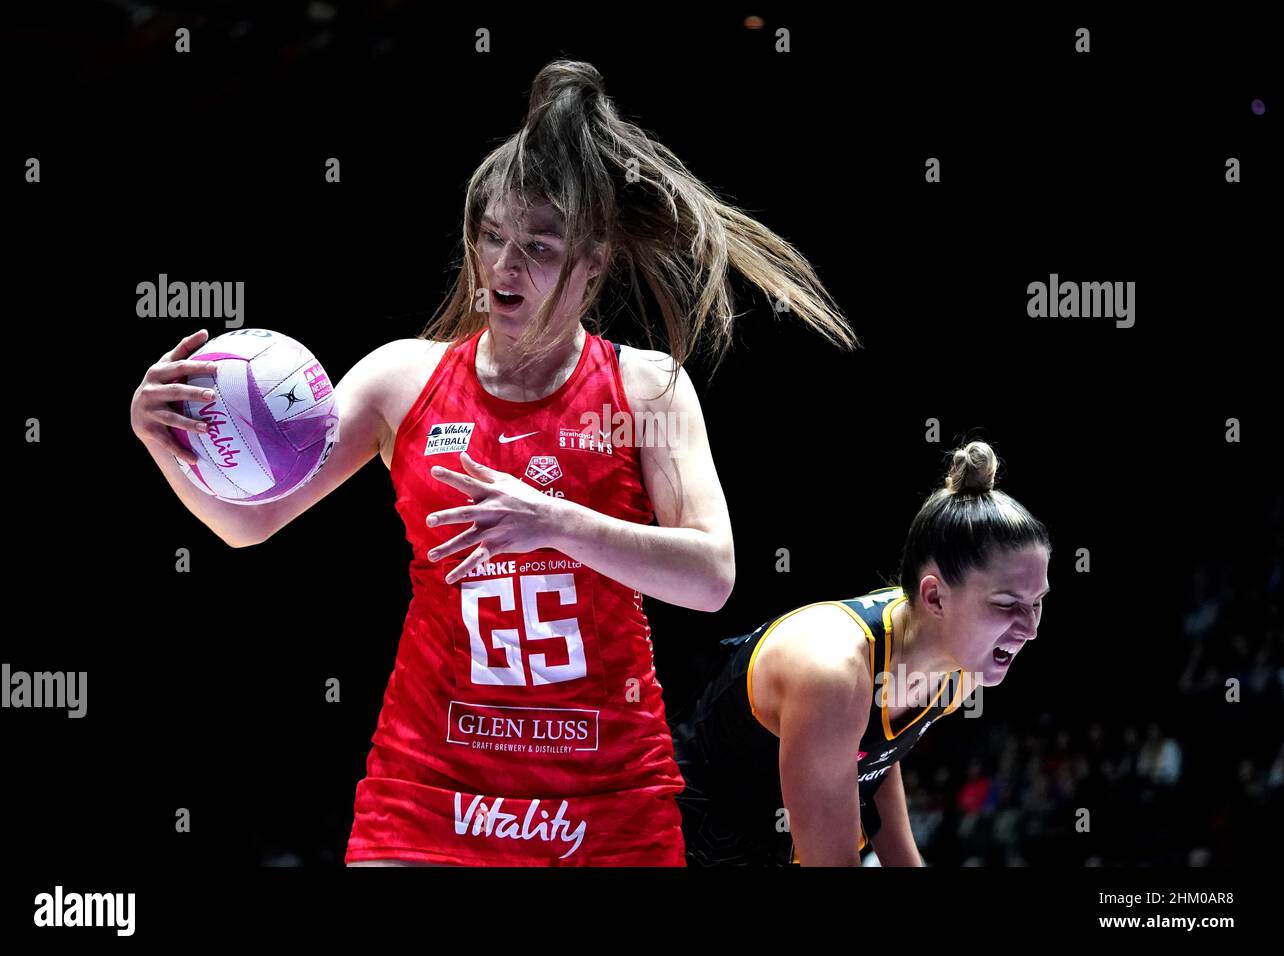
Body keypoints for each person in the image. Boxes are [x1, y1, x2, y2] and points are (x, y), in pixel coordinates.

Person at [129, 59, 856, 865]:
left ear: (592, 267)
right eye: (492, 238)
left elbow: (711, 575)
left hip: (608, 797)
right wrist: (162, 440)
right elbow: (251, 522)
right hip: (429, 786)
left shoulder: (648, 390)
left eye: (538, 247)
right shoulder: (400, 379)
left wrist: (553, 522)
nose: (505, 266)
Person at [673, 440, 1051, 865]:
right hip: (684, 832)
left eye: (1037, 602)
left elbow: (874, 755)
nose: (1031, 628)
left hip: (772, 837)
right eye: (1006, 604)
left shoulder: (958, 665)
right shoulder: (833, 672)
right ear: (936, 598)